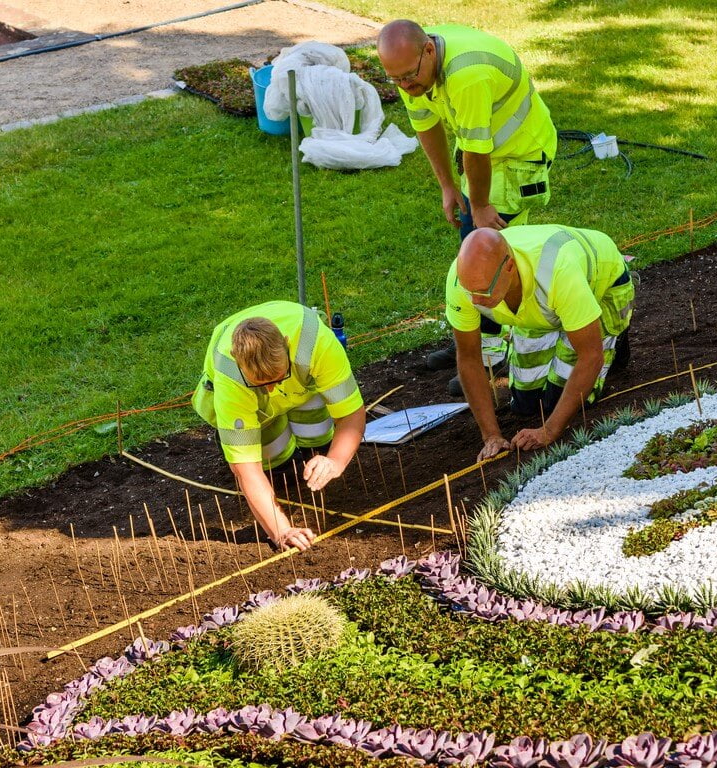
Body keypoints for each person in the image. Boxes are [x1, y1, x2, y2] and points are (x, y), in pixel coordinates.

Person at [377, 19, 558, 385]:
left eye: (409, 76)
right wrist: (447, 186)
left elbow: (477, 151)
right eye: (395, 80)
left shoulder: (467, 75)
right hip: (486, 157)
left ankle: (491, 352)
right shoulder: (408, 68)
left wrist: (479, 207)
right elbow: (426, 127)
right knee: (473, 243)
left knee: (485, 252)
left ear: (429, 50)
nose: (405, 86)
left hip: (520, 156)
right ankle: (476, 340)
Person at [446, 226, 634, 461]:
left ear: (510, 267)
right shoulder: (462, 282)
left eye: (483, 291)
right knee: (525, 404)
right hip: (541, 307)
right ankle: (562, 327)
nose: (474, 301)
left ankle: (618, 341)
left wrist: (549, 430)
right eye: (469, 291)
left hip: (602, 286)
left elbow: (590, 355)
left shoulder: (557, 269)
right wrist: (491, 435)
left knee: (559, 401)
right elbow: (469, 357)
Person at [193, 301, 366, 551]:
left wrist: (335, 461)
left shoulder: (317, 343)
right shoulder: (229, 377)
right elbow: (246, 468)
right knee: (277, 463)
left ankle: (311, 449)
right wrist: (281, 531)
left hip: (303, 389)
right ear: (238, 363)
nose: (272, 389)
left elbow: (351, 414)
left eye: (277, 378)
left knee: (319, 437)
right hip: (253, 405)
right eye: (261, 383)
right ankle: (285, 462)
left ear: (287, 345)